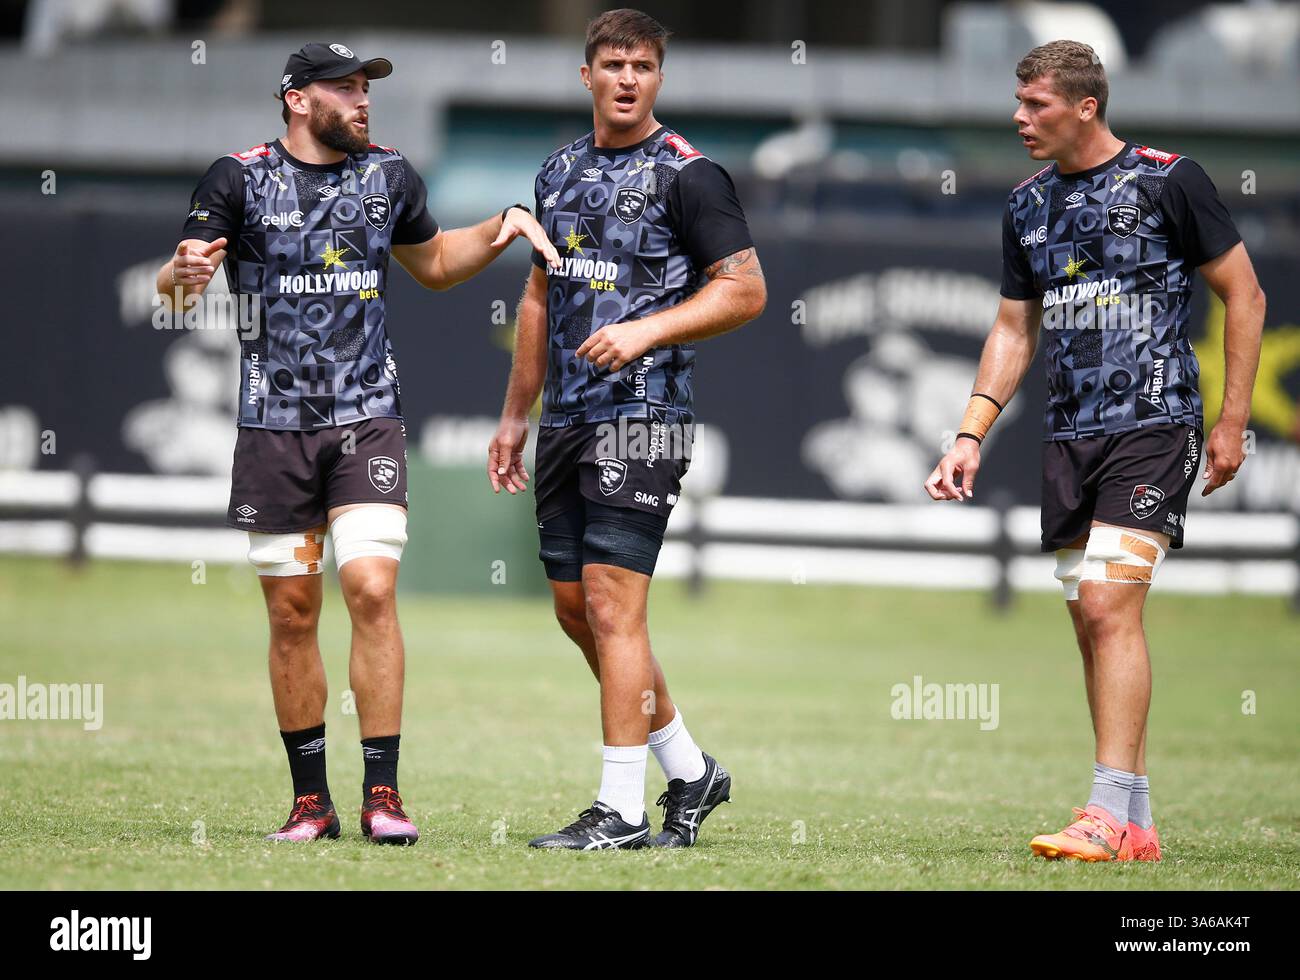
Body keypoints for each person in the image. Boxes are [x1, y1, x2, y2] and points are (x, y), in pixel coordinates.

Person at [157, 41, 559, 845]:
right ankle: (312, 802)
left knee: (371, 590)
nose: (362, 99)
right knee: (293, 612)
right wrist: (179, 276)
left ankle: (384, 794)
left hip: (366, 418)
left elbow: (437, 264)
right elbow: (175, 291)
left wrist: (505, 224)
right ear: (297, 99)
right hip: (272, 427)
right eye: (345, 87)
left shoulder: (389, 175)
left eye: (366, 86)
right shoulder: (236, 178)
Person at [924, 40, 1265, 862]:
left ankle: (1104, 813)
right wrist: (969, 431)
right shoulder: (1028, 204)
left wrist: (1231, 421)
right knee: (1089, 618)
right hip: (1067, 435)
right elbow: (1015, 326)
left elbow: (1243, 293)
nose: (1018, 117)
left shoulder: (1167, 180)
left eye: (1035, 104)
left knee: (1111, 605)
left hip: (1155, 425)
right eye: (1017, 101)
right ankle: (1139, 825)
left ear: (1085, 107)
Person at [488, 9, 766, 850]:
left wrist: (647, 330)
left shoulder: (691, 175)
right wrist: (514, 415)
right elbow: (539, 298)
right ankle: (689, 770)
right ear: (587, 76)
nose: (626, 78)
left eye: (642, 65)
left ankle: (622, 812)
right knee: (578, 612)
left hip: (645, 417)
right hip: (567, 420)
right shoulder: (559, 171)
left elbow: (746, 290)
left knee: (613, 607)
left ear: (658, 78)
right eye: (612, 64)